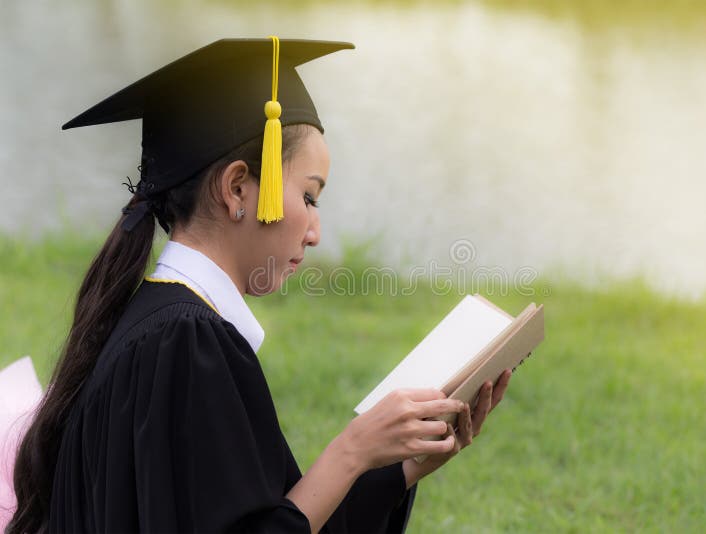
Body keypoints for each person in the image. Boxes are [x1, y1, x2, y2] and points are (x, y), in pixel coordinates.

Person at [6, 37, 512, 533]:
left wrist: (400, 464)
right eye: (309, 197)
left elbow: (271, 518)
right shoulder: (187, 343)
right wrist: (352, 448)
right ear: (237, 189)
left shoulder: (154, 322)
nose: (315, 233)